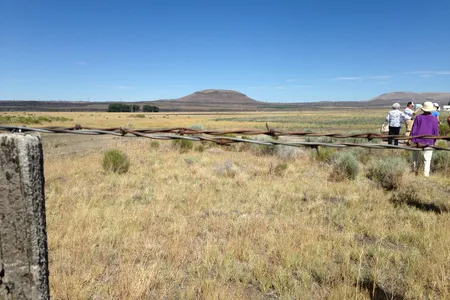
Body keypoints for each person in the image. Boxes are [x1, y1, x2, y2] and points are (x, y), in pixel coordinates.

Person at [410, 101, 439, 177]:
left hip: (417, 140)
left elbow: (414, 129)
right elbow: (435, 132)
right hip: (429, 141)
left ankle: (415, 171)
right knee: (427, 158)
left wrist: (412, 140)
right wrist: (434, 140)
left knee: (415, 157)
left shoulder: (418, 117)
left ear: (423, 109)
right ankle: (426, 174)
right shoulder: (434, 119)